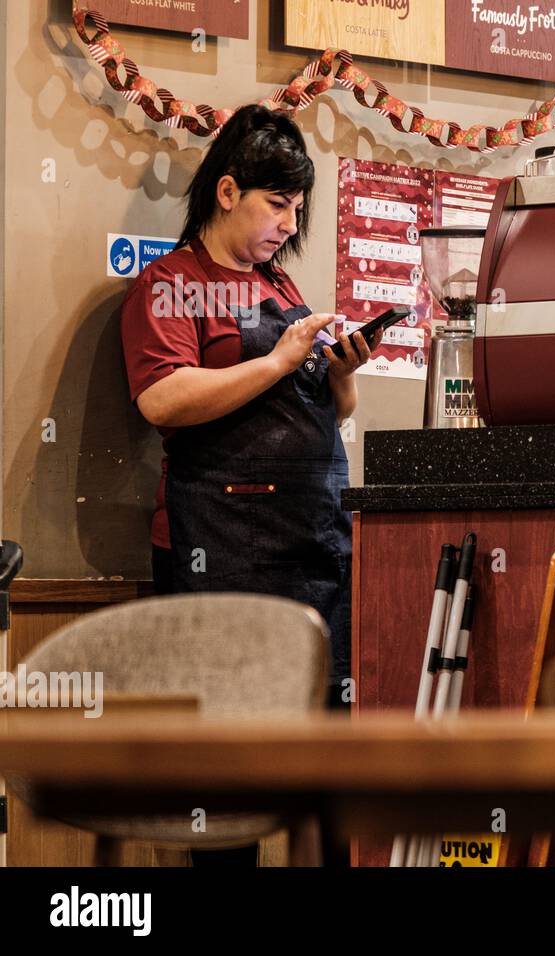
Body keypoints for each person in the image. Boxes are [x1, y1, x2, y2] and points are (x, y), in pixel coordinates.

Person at [121, 104, 375, 715]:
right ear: (227, 191)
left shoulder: (282, 286)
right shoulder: (169, 283)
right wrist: (276, 363)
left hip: (315, 542)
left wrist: (341, 375)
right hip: (221, 546)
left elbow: (331, 412)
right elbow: (161, 398)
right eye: (278, 204)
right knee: (232, 735)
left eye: (297, 208)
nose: (290, 225)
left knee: (319, 726)